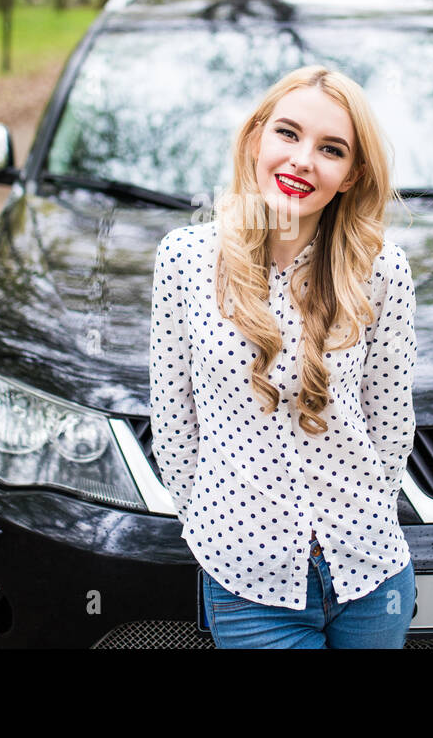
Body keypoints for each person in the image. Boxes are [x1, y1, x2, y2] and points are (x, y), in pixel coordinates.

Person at [148, 64, 419, 648]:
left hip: (370, 574)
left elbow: (391, 423)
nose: (302, 160)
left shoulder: (382, 270)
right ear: (255, 139)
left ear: (350, 176)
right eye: (288, 134)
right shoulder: (186, 262)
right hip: (249, 582)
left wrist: (371, 512)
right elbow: (174, 422)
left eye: (331, 149)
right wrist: (211, 524)